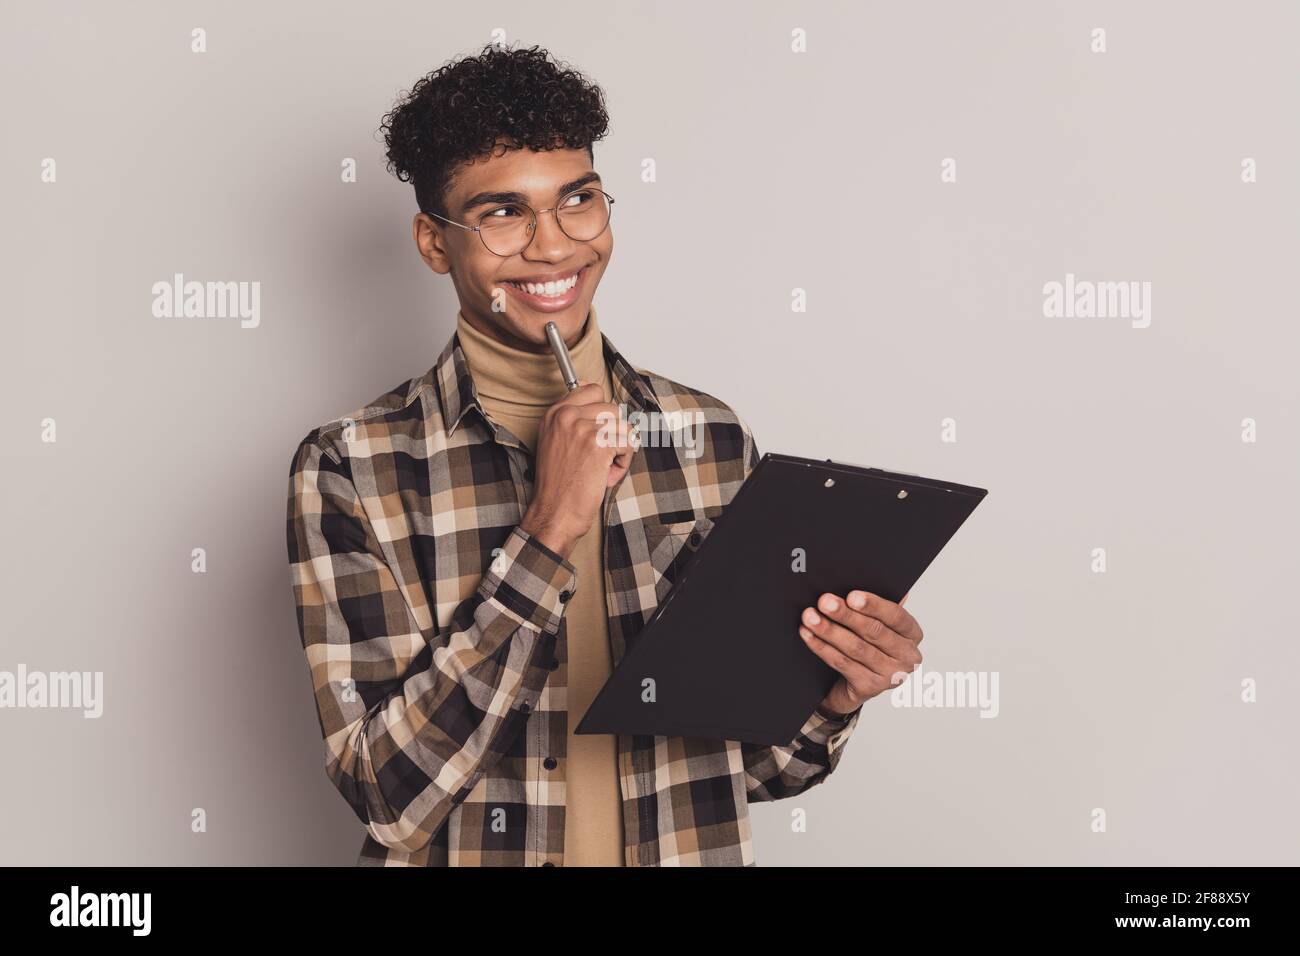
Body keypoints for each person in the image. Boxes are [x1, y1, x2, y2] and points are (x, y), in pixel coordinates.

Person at [285, 42, 925, 867]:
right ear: (436, 243)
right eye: (503, 213)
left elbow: (758, 771)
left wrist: (837, 691)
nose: (553, 247)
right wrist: (549, 528)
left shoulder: (708, 437)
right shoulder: (351, 466)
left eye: (577, 200)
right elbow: (387, 796)